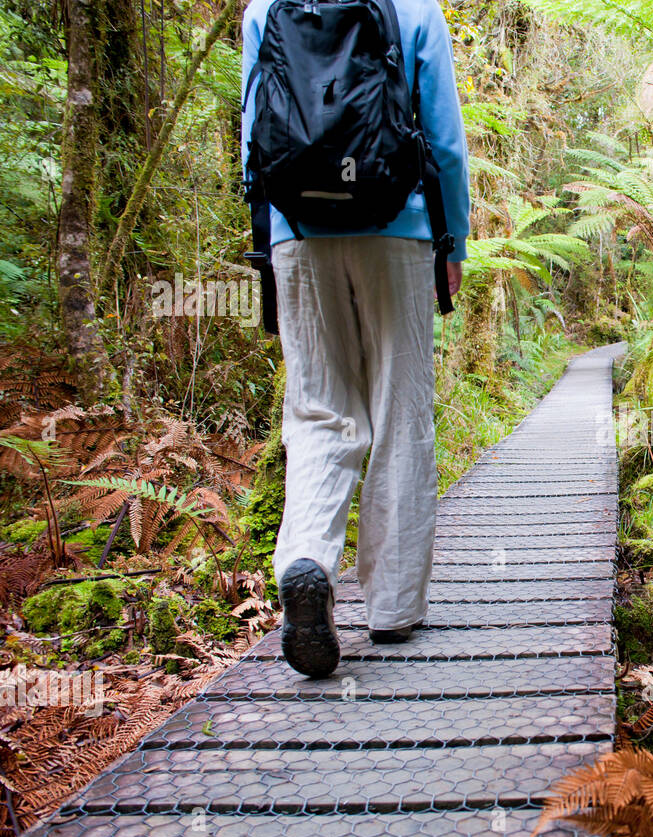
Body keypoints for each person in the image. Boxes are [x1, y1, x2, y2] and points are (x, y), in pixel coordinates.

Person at [240, 0, 471, 678]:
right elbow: (446, 141)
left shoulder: (264, 9)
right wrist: (450, 238)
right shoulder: (415, 8)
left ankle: (307, 558)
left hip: (298, 232)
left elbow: (255, 133)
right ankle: (393, 608)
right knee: (400, 410)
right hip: (397, 225)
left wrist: (270, 239)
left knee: (317, 410)